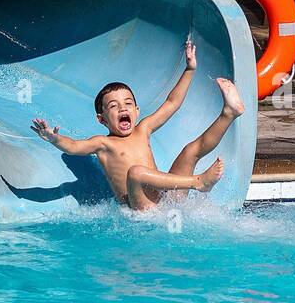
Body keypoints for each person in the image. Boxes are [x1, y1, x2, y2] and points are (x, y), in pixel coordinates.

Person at [30, 39, 244, 211]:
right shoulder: (103, 143)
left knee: (190, 150)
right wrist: (54, 138)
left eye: (128, 104)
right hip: (142, 208)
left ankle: (229, 114)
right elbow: (74, 147)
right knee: (135, 173)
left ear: (137, 111)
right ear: (101, 119)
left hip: (167, 198)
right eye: (113, 106)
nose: (123, 109)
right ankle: (198, 182)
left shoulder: (143, 129)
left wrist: (189, 69)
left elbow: (172, 103)